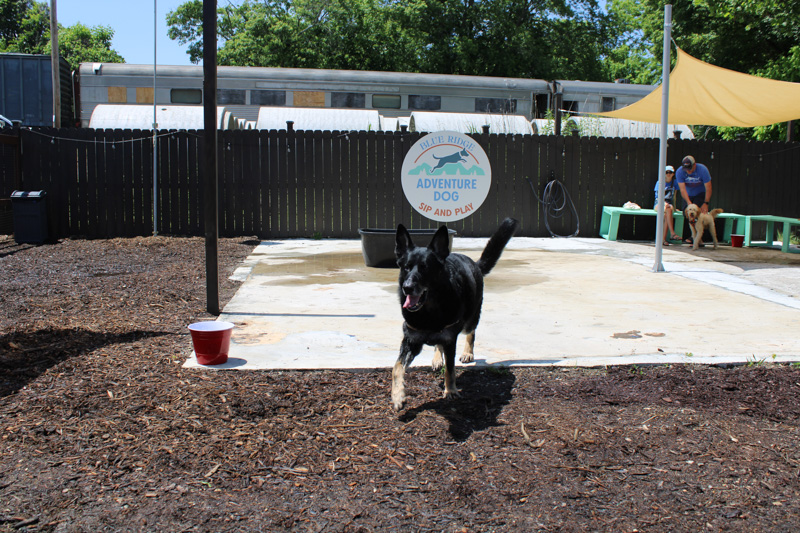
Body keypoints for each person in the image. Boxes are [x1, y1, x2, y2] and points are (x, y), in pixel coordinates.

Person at [675, 155, 712, 244]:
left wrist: (705, 203)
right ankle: (696, 236)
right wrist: (688, 203)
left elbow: (708, 188)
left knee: (698, 213)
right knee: (687, 212)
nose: (688, 171)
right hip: (688, 194)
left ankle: (696, 237)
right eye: (686, 169)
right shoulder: (680, 171)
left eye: (690, 168)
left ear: (694, 165)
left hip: (700, 194)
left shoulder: (702, 169)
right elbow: (682, 189)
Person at [654, 165, 680, 245]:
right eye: (666, 172)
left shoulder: (675, 183)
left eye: (670, 172)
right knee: (667, 208)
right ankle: (672, 234)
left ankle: (664, 239)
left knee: (667, 212)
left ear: (673, 174)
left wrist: (675, 208)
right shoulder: (660, 182)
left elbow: (674, 197)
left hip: (669, 204)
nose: (668, 174)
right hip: (659, 203)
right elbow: (658, 197)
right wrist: (665, 204)